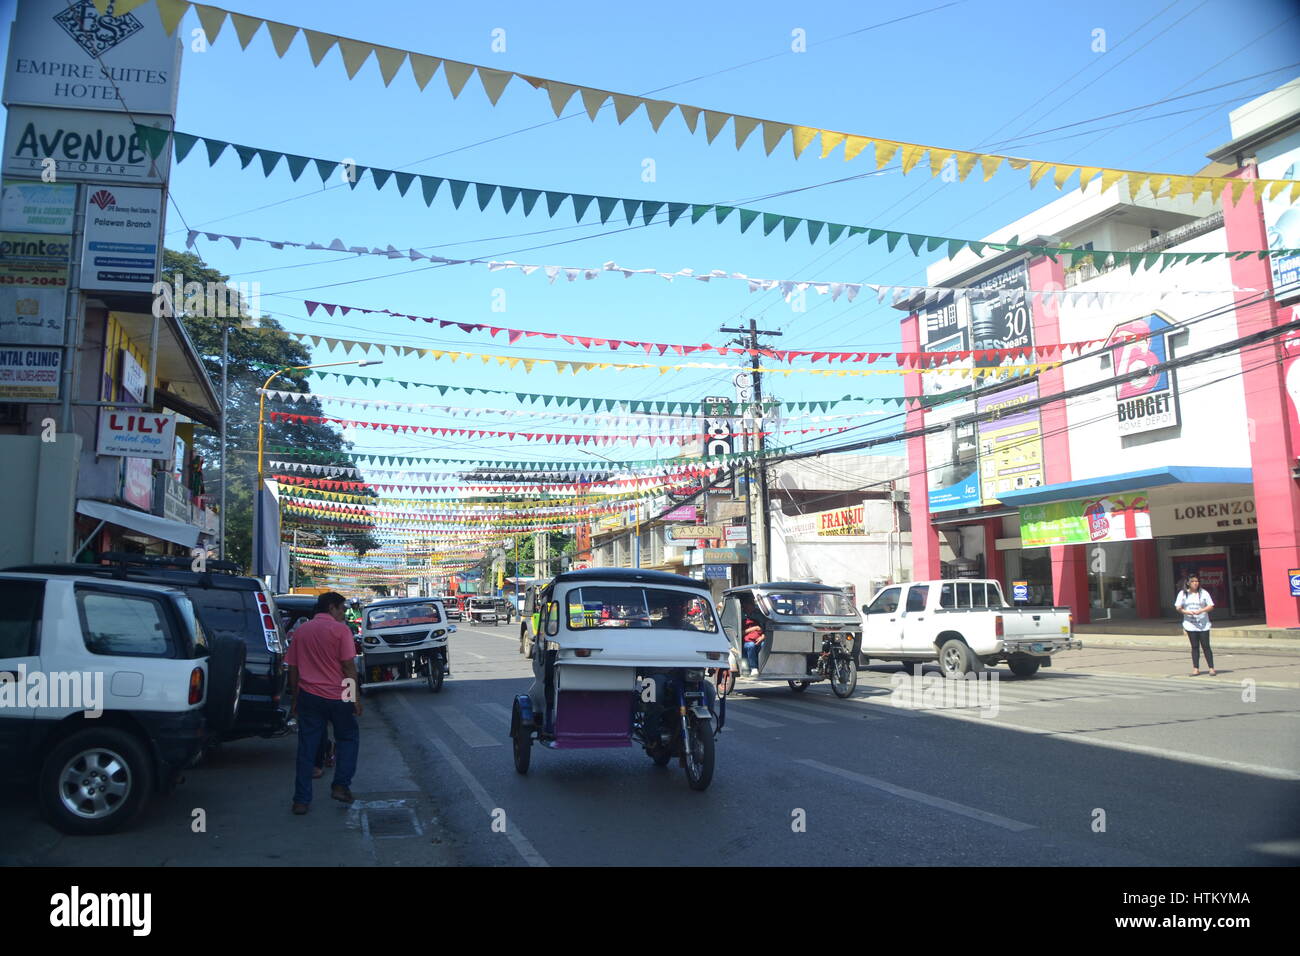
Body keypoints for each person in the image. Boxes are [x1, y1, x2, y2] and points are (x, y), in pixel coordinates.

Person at [286, 592, 362, 814]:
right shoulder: (341, 630)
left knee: (307, 747)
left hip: (309, 696)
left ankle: (301, 800)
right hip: (339, 696)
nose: (344, 613)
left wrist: (295, 698)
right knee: (348, 738)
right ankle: (340, 785)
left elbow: (293, 668)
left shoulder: (301, 631)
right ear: (331, 608)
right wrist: (354, 698)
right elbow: (348, 667)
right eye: (342, 609)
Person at [1175, 574, 1216, 676]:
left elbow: (1211, 606)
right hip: (1190, 624)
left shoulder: (1203, 593)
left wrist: (1202, 610)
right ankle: (1196, 668)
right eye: (1193, 581)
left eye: (1197, 581)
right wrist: (1186, 612)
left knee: (1206, 646)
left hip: (1203, 624)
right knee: (1195, 647)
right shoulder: (1183, 593)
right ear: (1188, 583)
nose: (1195, 583)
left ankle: (1211, 668)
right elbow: (1178, 607)